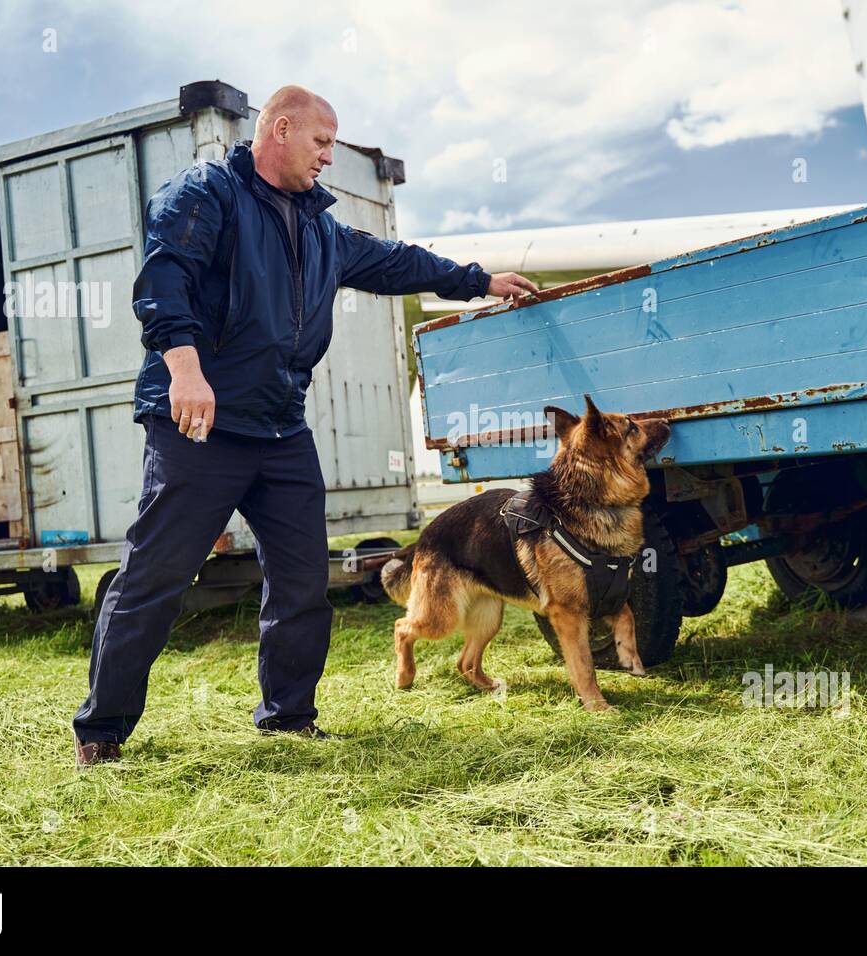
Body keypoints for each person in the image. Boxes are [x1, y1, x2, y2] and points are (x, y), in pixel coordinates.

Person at [72, 85, 537, 765]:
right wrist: (185, 368)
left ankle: (288, 715)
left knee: (299, 581)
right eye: (321, 142)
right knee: (154, 578)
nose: (327, 156)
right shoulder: (206, 194)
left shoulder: (320, 226)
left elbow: (396, 262)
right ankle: (102, 731)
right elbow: (162, 282)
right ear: (280, 130)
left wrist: (479, 280)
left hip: (281, 429)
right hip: (200, 422)